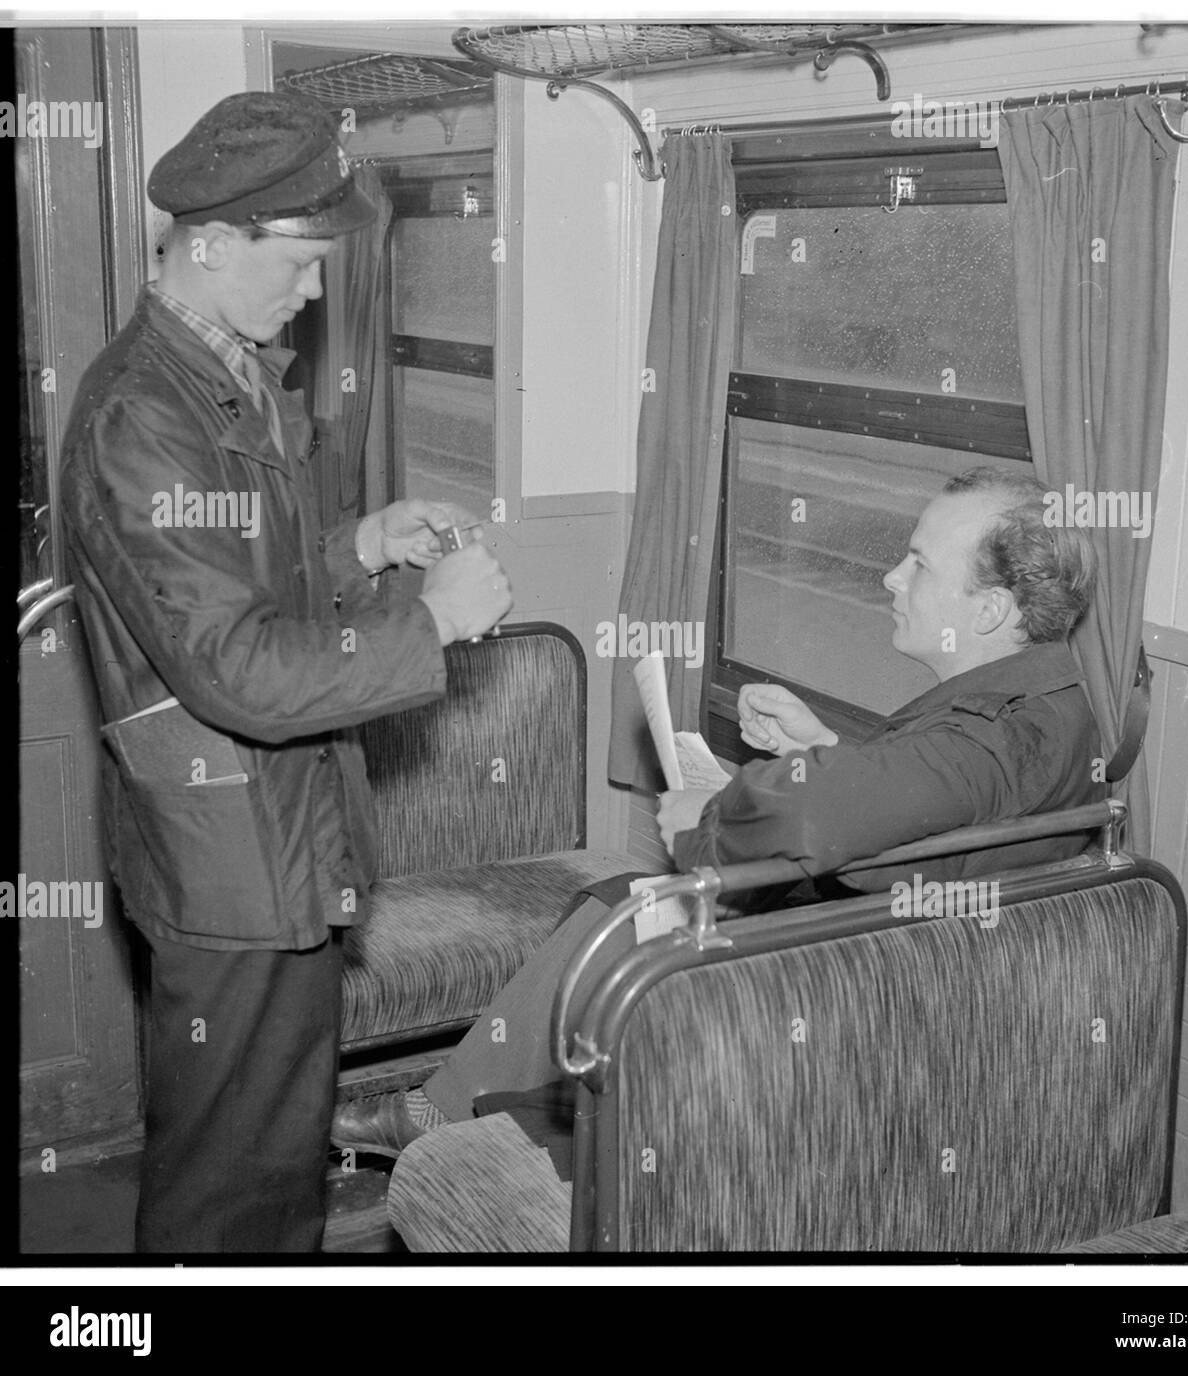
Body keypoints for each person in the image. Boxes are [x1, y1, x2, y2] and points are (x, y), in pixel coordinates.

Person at [333, 466, 1104, 1160]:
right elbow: (943, 812)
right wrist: (826, 743)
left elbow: (816, 823)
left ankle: (455, 1123)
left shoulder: (992, 730)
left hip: (880, 992)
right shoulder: (1045, 701)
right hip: (915, 954)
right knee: (629, 905)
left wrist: (705, 819)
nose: (889, 578)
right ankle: (461, 1110)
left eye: (919, 564)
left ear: (993, 609)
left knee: (634, 911)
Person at [59, 90, 512, 1252]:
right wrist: (436, 627)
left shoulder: (224, 372)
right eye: (303, 261)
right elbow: (235, 668)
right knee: (231, 1184)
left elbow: (242, 586)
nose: (315, 291)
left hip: (281, 840)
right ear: (211, 246)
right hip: (228, 861)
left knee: (273, 1153)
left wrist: (359, 548)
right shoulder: (138, 417)